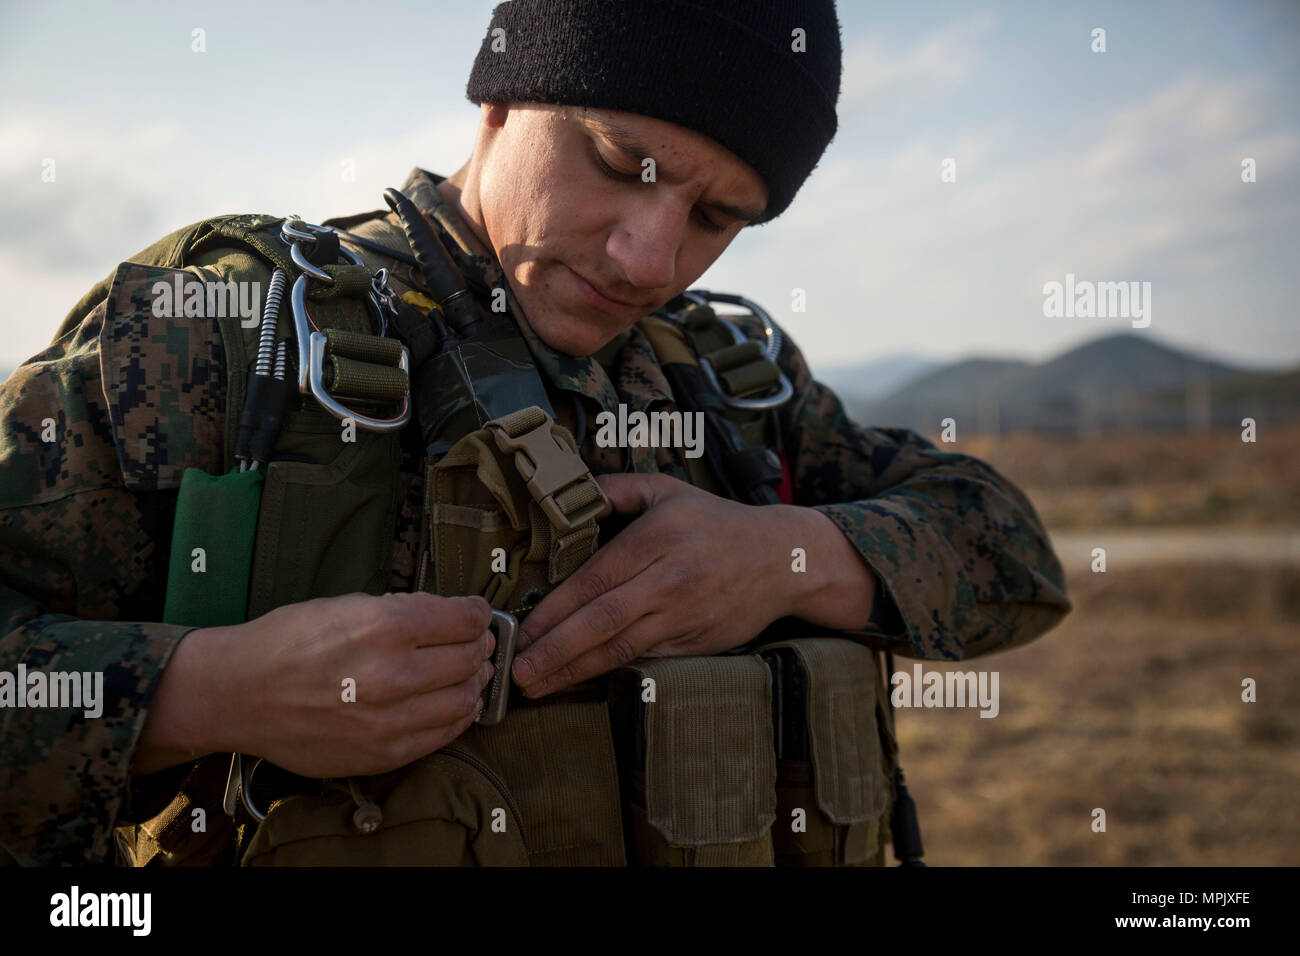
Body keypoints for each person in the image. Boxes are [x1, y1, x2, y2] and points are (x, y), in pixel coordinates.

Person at [0, 0, 1070, 867]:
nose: (647, 258)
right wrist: (209, 689)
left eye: (715, 219)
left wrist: (791, 557)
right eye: (619, 160)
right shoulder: (230, 335)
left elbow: (1011, 554)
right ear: (505, 95)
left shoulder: (728, 377)